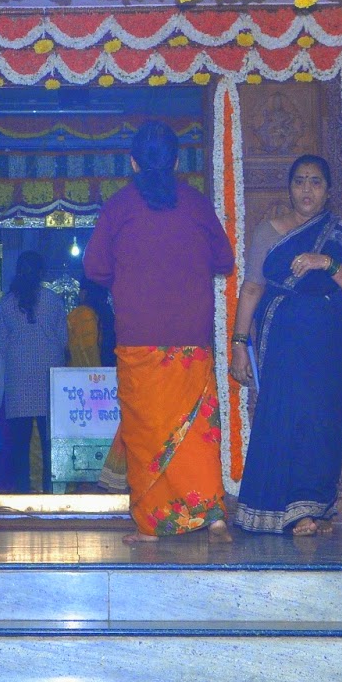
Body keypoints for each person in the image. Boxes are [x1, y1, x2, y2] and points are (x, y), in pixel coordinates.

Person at [84, 120, 235, 541]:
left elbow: (94, 267)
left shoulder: (120, 206)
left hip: (139, 335)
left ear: (132, 162)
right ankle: (214, 517)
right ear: (175, 161)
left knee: (147, 430)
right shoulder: (195, 203)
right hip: (192, 337)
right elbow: (224, 261)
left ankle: (152, 524)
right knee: (195, 429)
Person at [230, 154, 342, 537]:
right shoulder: (269, 232)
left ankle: (315, 506)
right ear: (290, 188)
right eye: (300, 181)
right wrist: (238, 344)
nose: (307, 189)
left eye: (315, 182)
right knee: (285, 417)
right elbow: (251, 289)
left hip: (331, 350)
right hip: (282, 347)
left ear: (328, 190)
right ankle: (291, 512)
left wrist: (326, 263)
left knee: (324, 421)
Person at [0, 251, 69, 492]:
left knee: (20, 445)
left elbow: (1, 344)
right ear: (41, 273)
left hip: (18, 380)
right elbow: (64, 339)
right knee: (50, 442)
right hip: (49, 378)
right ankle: (50, 491)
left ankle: (22, 493)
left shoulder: (6, 303)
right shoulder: (53, 300)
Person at [65, 279, 116, 369]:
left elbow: (88, 355)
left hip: (86, 377)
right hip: (109, 376)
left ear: (84, 293)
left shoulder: (82, 314)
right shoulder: (109, 315)